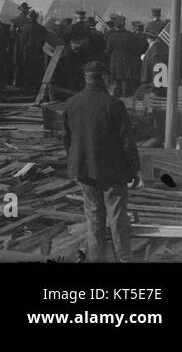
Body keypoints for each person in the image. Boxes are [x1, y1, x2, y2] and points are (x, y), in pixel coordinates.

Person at [62, 61, 141, 262]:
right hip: (113, 171)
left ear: (85, 78)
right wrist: (135, 169)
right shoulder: (114, 104)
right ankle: (123, 259)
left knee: (94, 218)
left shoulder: (71, 103)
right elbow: (126, 141)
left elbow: (67, 140)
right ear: (104, 78)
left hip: (84, 170)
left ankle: (97, 259)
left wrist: (76, 163)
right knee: (117, 218)